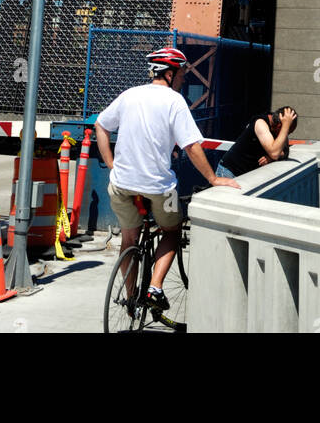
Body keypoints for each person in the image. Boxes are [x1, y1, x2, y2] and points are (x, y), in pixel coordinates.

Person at [95, 46, 240, 314]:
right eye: (183, 74)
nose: (184, 79)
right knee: (172, 231)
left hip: (121, 184)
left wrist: (113, 164)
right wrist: (213, 178)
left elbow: (101, 126)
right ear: (171, 74)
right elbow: (192, 146)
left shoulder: (129, 95)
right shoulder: (174, 101)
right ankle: (155, 288)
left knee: (129, 240)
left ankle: (130, 299)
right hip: (159, 188)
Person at [216, 106, 298, 178]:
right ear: (280, 126)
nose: (286, 135)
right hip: (230, 172)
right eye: (287, 132)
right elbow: (275, 153)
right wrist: (286, 126)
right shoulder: (260, 123)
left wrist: (270, 158)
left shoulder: (278, 130)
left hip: (245, 174)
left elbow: (285, 151)